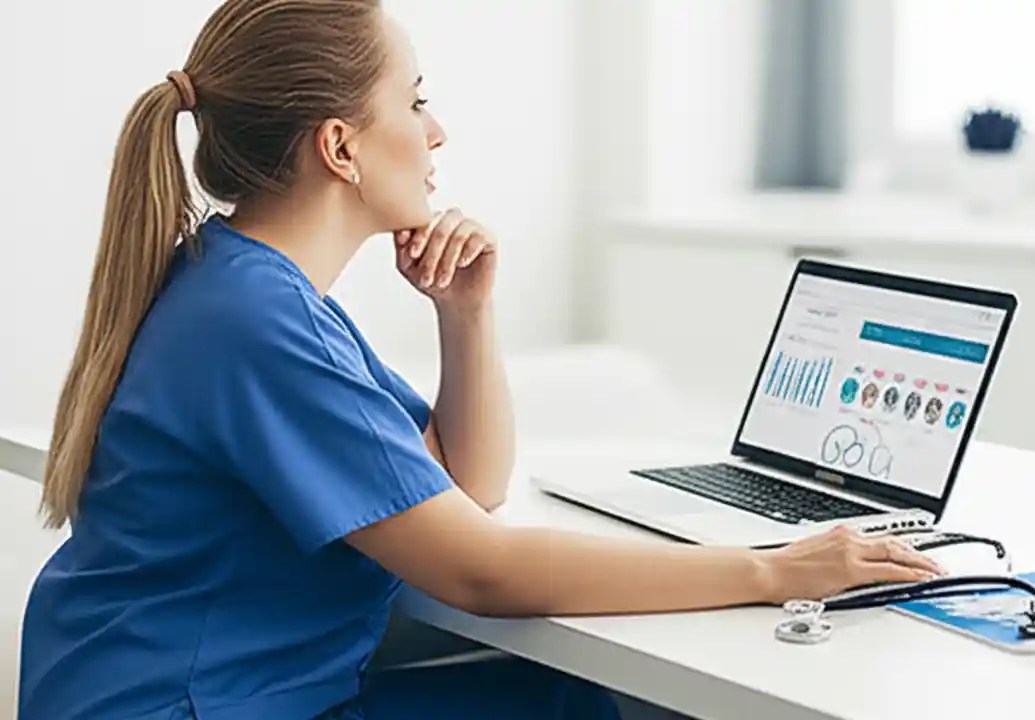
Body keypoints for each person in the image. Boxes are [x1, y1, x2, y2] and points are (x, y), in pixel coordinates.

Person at [18, 1, 942, 718]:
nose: (437, 133)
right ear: (339, 147)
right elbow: (481, 571)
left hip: (202, 697)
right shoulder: (257, 323)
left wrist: (466, 315)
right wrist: (775, 568)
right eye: (415, 102)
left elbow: (469, 484)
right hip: (186, 710)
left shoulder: (252, 290)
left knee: (566, 704)